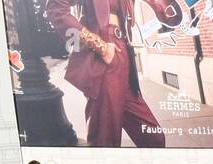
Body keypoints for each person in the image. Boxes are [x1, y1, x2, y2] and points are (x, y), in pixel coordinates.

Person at [44, 0, 171, 147]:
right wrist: (100, 46)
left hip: (125, 54)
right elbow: (56, 8)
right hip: (104, 55)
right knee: (104, 140)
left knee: (154, 138)